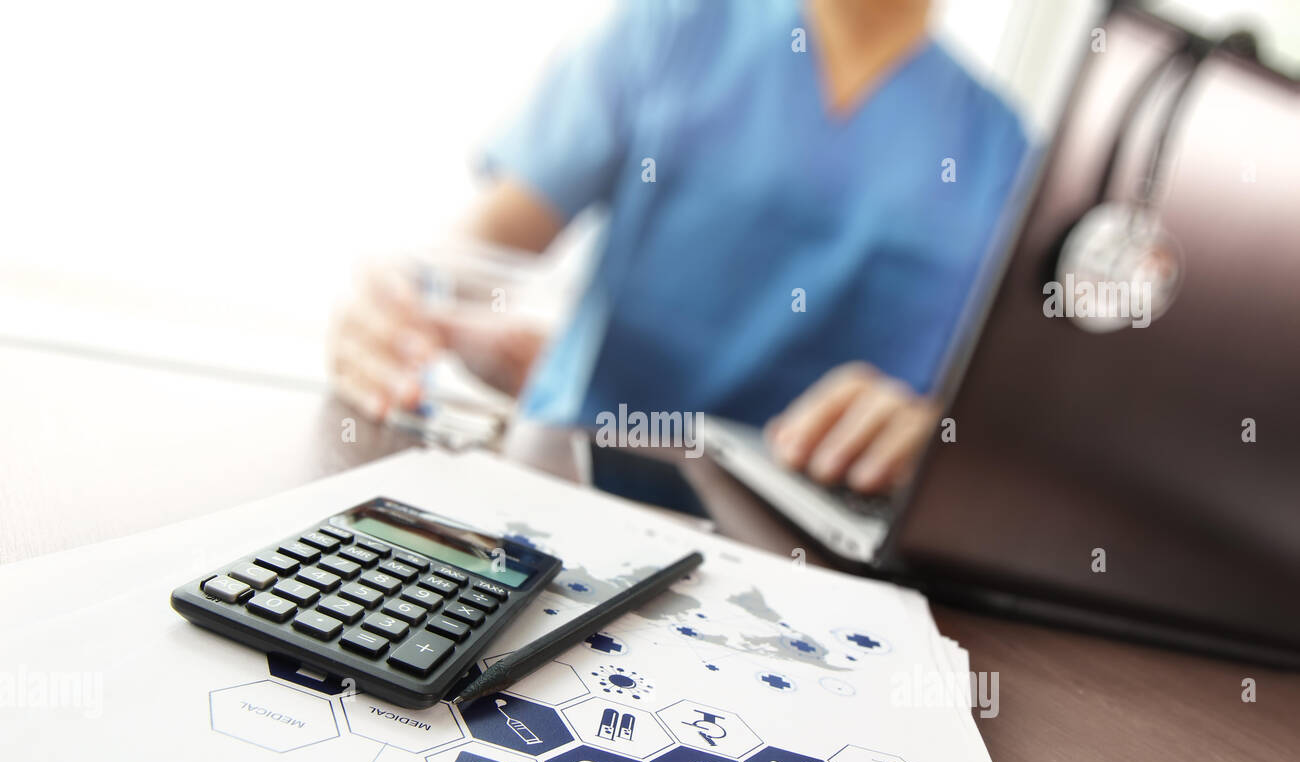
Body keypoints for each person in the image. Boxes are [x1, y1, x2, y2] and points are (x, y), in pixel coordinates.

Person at [330, 0, 1027, 493]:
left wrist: (950, 443)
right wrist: (399, 310)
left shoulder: (1008, 154)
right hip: (574, 491)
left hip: (829, 549)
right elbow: (480, 256)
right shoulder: (672, 27)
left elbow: (1000, 420)